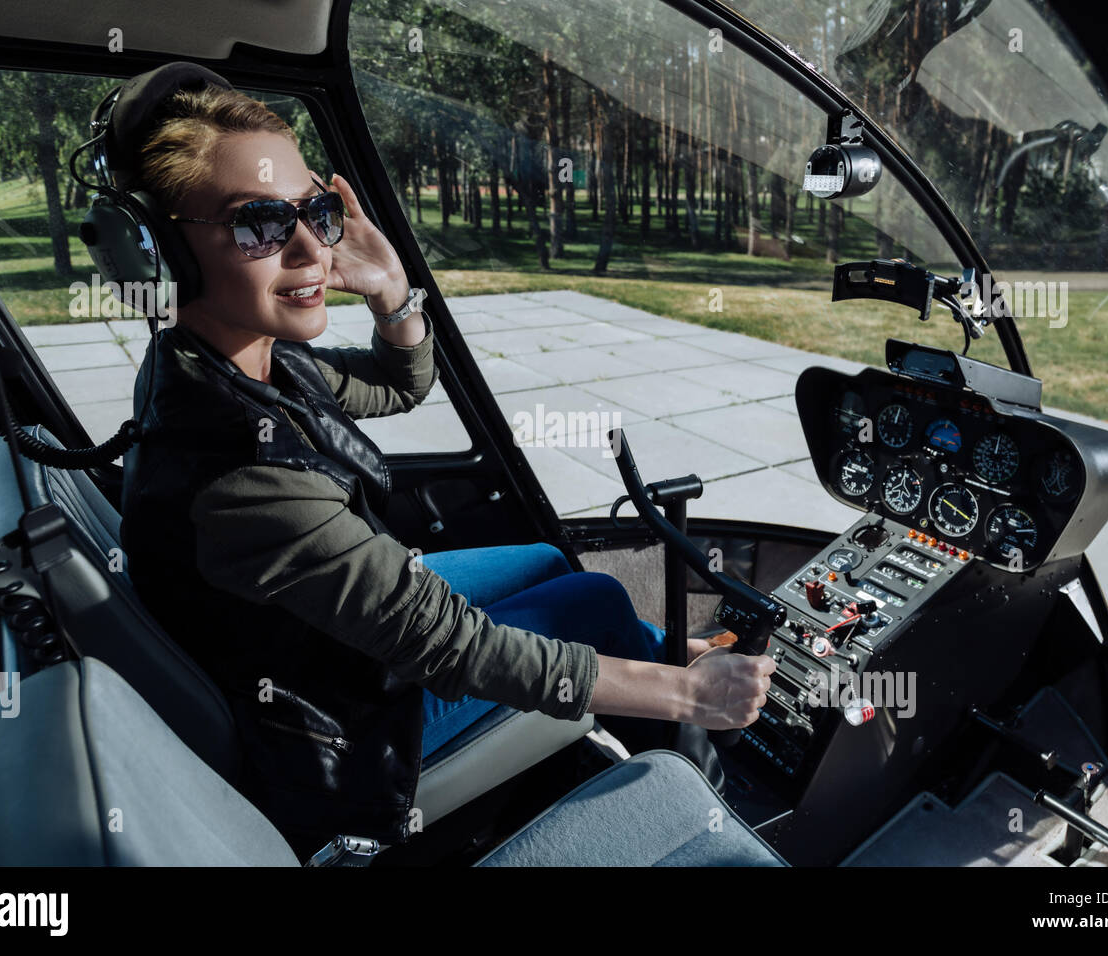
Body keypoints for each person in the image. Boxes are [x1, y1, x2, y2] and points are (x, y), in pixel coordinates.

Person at [112, 66, 774, 855]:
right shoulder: (241, 476)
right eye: (257, 223)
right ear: (157, 252)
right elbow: (452, 646)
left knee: (541, 558)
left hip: (313, 650)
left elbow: (398, 382)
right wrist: (686, 696)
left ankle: (660, 650)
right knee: (589, 603)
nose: (307, 249)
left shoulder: (228, 358)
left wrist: (391, 290)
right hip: (337, 729)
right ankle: (706, 783)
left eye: (316, 214)